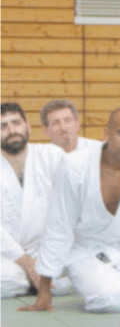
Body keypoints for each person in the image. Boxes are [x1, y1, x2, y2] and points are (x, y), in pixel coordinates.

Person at [20, 107, 120, 313]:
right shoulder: (75, 166)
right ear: (107, 134)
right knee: (113, 300)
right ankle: (111, 283)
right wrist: (45, 291)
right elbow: (59, 225)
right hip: (86, 248)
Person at [1, 102, 72, 299]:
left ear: (28, 127)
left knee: (63, 279)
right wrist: (26, 263)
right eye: (3, 126)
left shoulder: (52, 156)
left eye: (16, 123)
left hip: (44, 247)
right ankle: (29, 279)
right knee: (10, 280)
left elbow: (72, 204)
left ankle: (34, 280)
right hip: (5, 254)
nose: (11, 130)